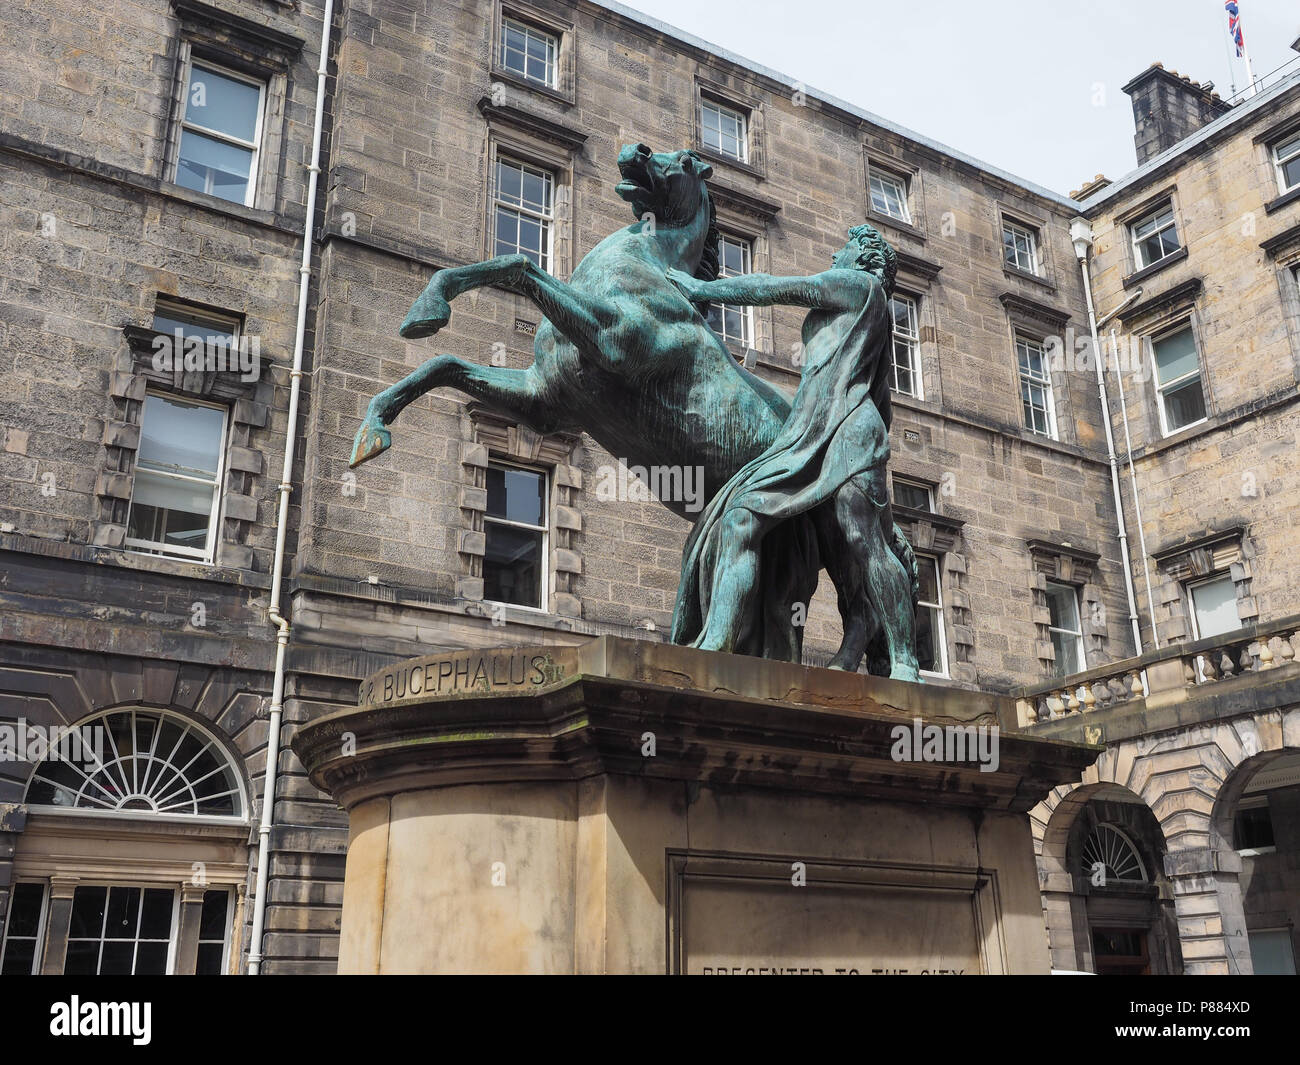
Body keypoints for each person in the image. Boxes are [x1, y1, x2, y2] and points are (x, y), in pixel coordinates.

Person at [666, 223, 920, 680]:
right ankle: (716, 643)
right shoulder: (868, 315)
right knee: (741, 516)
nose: (835, 254)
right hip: (810, 434)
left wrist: (702, 286)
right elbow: (883, 401)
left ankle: (905, 662)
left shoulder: (859, 284)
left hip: (846, 431)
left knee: (864, 543)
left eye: (844, 248)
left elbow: (781, 288)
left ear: (865, 258)